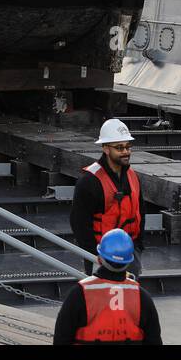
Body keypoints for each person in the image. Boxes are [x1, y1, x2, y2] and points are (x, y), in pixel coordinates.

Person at [53, 228, 162, 345]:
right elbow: (154, 340)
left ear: (100, 259)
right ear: (129, 262)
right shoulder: (142, 297)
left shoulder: (80, 293)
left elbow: (61, 339)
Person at [70, 118, 143, 275]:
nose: (125, 151)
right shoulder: (89, 181)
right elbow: (79, 223)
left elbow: (140, 211)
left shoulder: (133, 177)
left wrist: (138, 245)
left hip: (129, 254)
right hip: (101, 256)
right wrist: (93, 256)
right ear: (105, 148)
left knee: (130, 295)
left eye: (128, 146)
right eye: (119, 147)